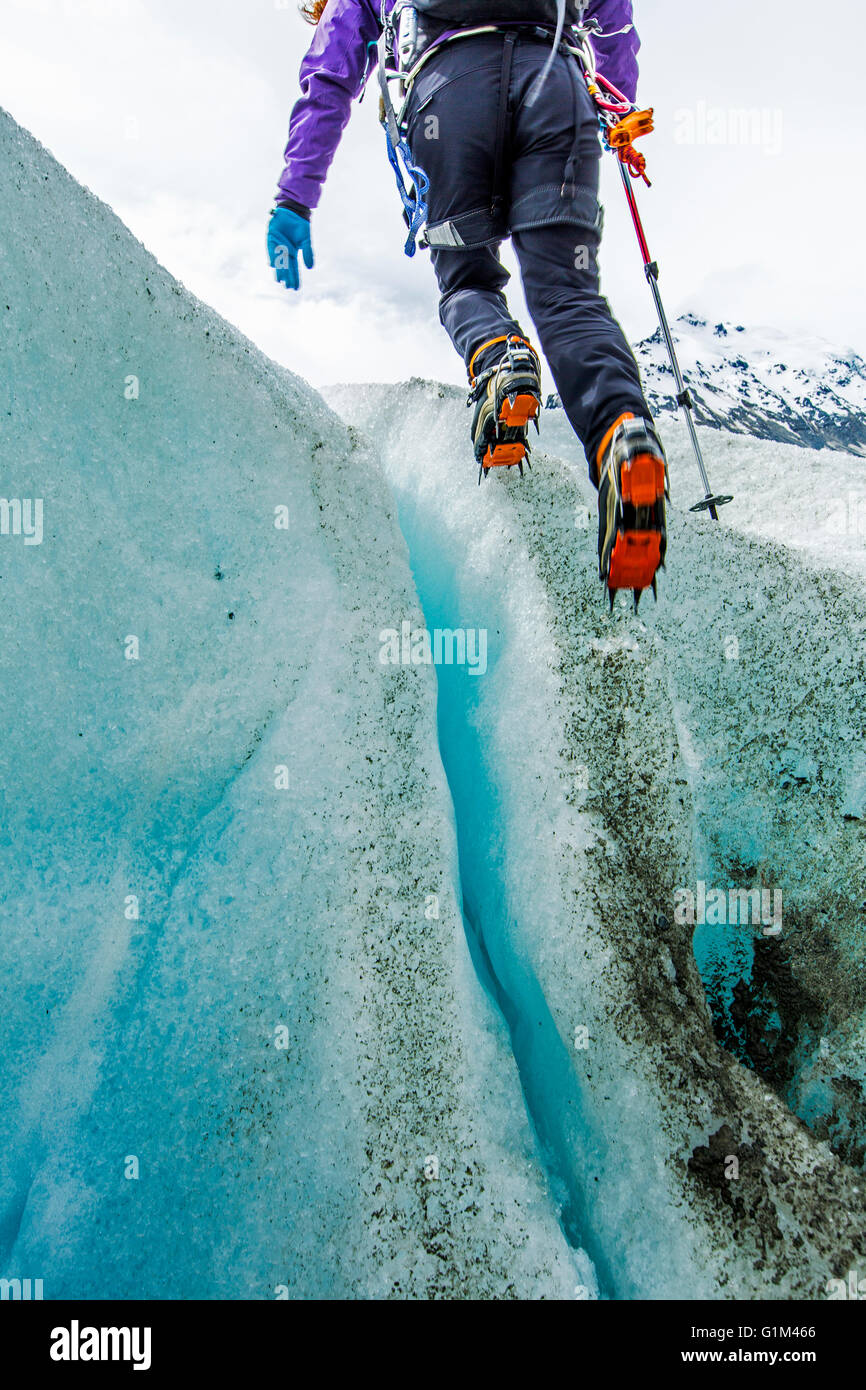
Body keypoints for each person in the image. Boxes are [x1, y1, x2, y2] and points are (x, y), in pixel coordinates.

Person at [268, 1, 667, 606]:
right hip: (555, 85)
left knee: (468, 281)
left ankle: (501, 362)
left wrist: (296, 195)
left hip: (449, 98)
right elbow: (612, 17)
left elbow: (331, 72)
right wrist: (618, 105)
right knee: (567, 293)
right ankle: (622, 430)